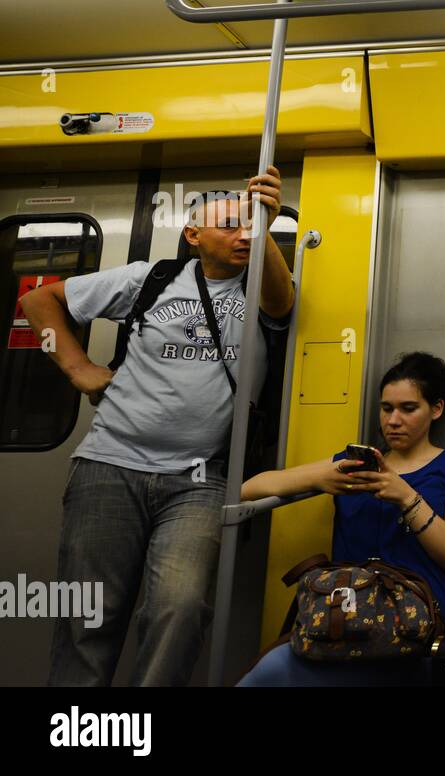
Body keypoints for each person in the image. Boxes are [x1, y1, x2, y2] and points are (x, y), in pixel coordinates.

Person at [22, 171, 294, 686]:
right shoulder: (148, 280)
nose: (244, 236)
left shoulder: (261, 290)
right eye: (231, 226)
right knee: (88, 619)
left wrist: (269, 220)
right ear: (193, 236)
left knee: (181, 608)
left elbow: (282, 306)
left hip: (198, 481)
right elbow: (38, 303)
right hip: (108, 466)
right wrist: (79, 370)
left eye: (251, 228)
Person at [237, 352, 445, 686]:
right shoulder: (351, 465)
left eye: (408, 409)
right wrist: (320, 479)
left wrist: (406, 496)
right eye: (386, 409)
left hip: (419, 623)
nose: (393, 420)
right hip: (346, 616)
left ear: (436, 409)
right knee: (269, 671)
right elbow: (251, 488)